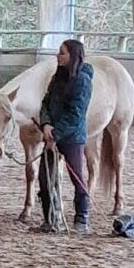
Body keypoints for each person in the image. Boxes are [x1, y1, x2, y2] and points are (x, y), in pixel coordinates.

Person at [36, 39, 95, 235]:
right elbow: (45, 103)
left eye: (62, 53)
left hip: (71, 137)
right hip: (52, 134)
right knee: (44, 178)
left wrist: (55, 133)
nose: (58, 55)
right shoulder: (57, 78)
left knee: (77, 177)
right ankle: (50, 218)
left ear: (73, 56)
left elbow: (76, 114)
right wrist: (46, 125)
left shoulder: (82, 81)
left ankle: (81, 219)